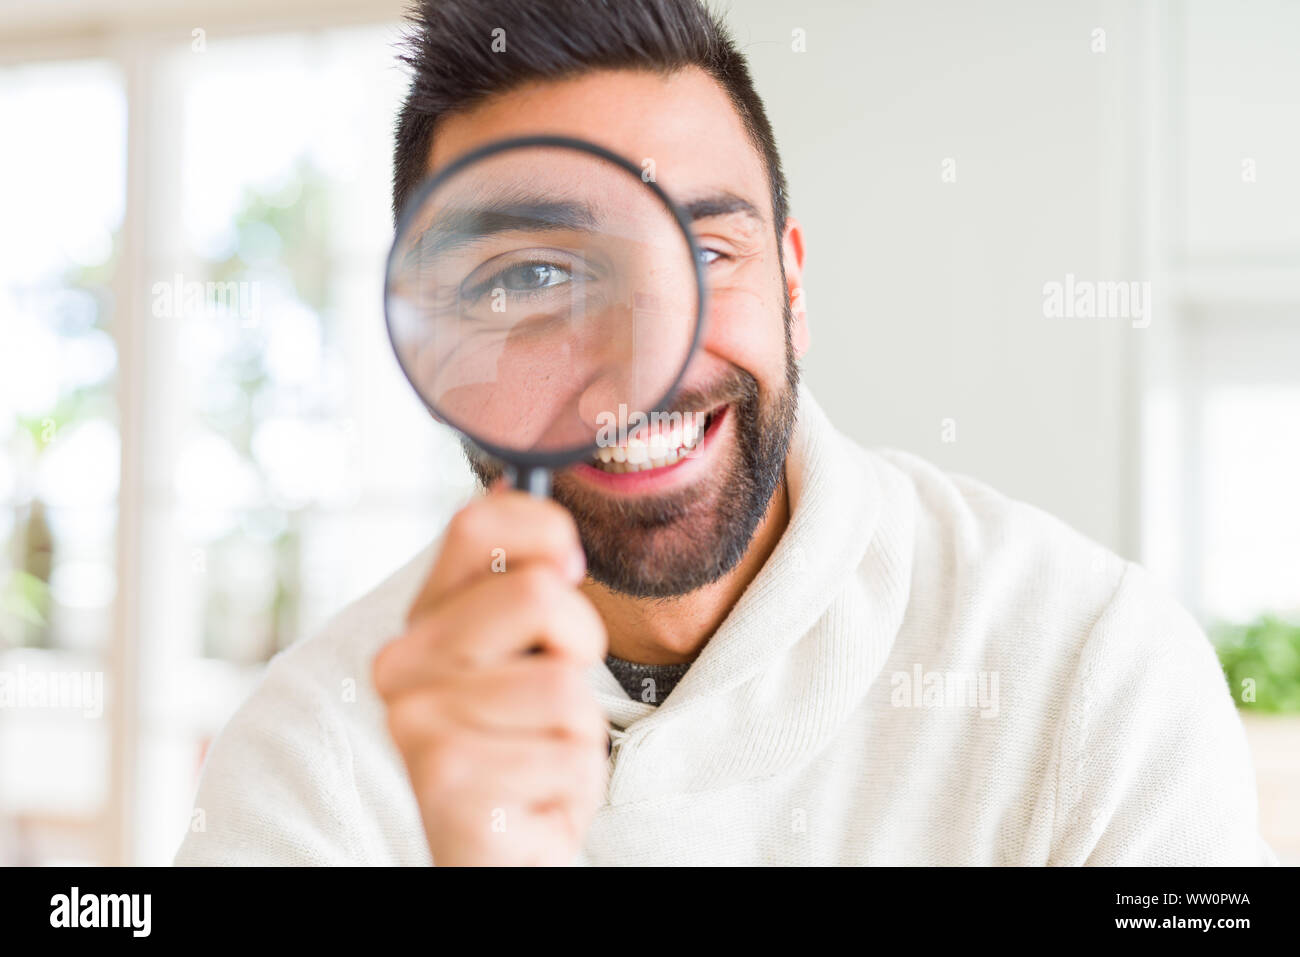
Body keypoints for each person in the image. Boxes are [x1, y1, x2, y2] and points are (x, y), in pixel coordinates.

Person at [175, 0, 1273, 866]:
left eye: (704, 254)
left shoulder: (1087, 666)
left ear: (792, 284)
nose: (639, 362)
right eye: (535, 276)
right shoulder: (311, 756)